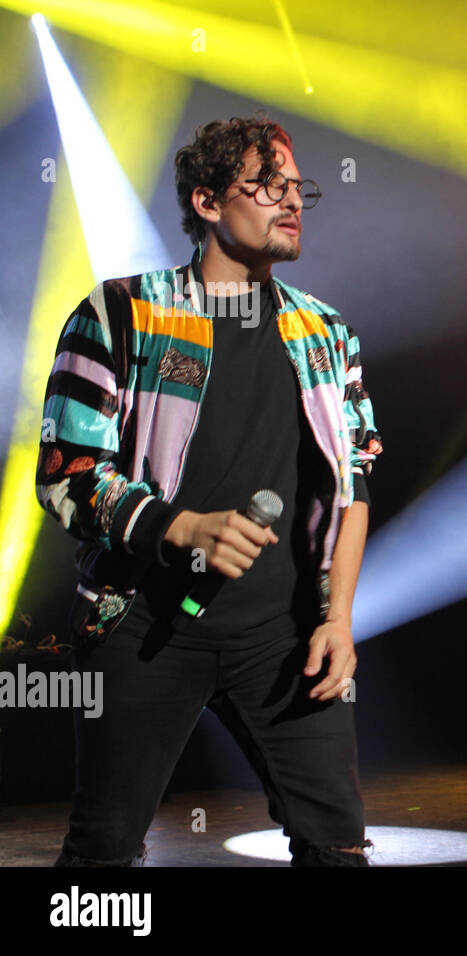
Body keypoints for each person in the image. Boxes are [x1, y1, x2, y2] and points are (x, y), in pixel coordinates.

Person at [35, 114, 383, 866]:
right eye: (265, 184)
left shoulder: (327, 333)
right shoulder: (123, 314)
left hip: (285, 639)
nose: (289, 201)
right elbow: (67, 474)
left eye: (297, 188)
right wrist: (180, 528)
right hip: (144, 627)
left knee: (338, 847)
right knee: (104, 850)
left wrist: (340, 619)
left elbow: (354, 488)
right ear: (206, 202)